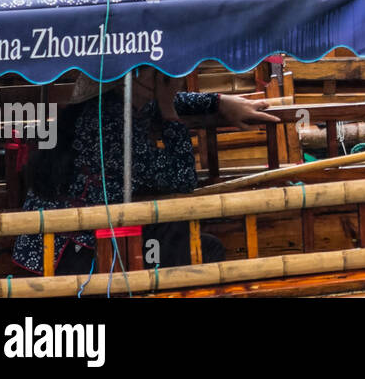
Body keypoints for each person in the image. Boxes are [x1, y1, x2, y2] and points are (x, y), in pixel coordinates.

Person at [14, 69, 277, 275]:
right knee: (199, 247)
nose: (178, 79)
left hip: (87, 237)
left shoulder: (114, 103)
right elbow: (182, 178)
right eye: (168, 75)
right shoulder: (110, 122)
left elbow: (179, 101)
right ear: (143, 78)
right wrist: (169, 111)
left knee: (195, 242)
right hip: (73, 253)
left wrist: (219, 102)